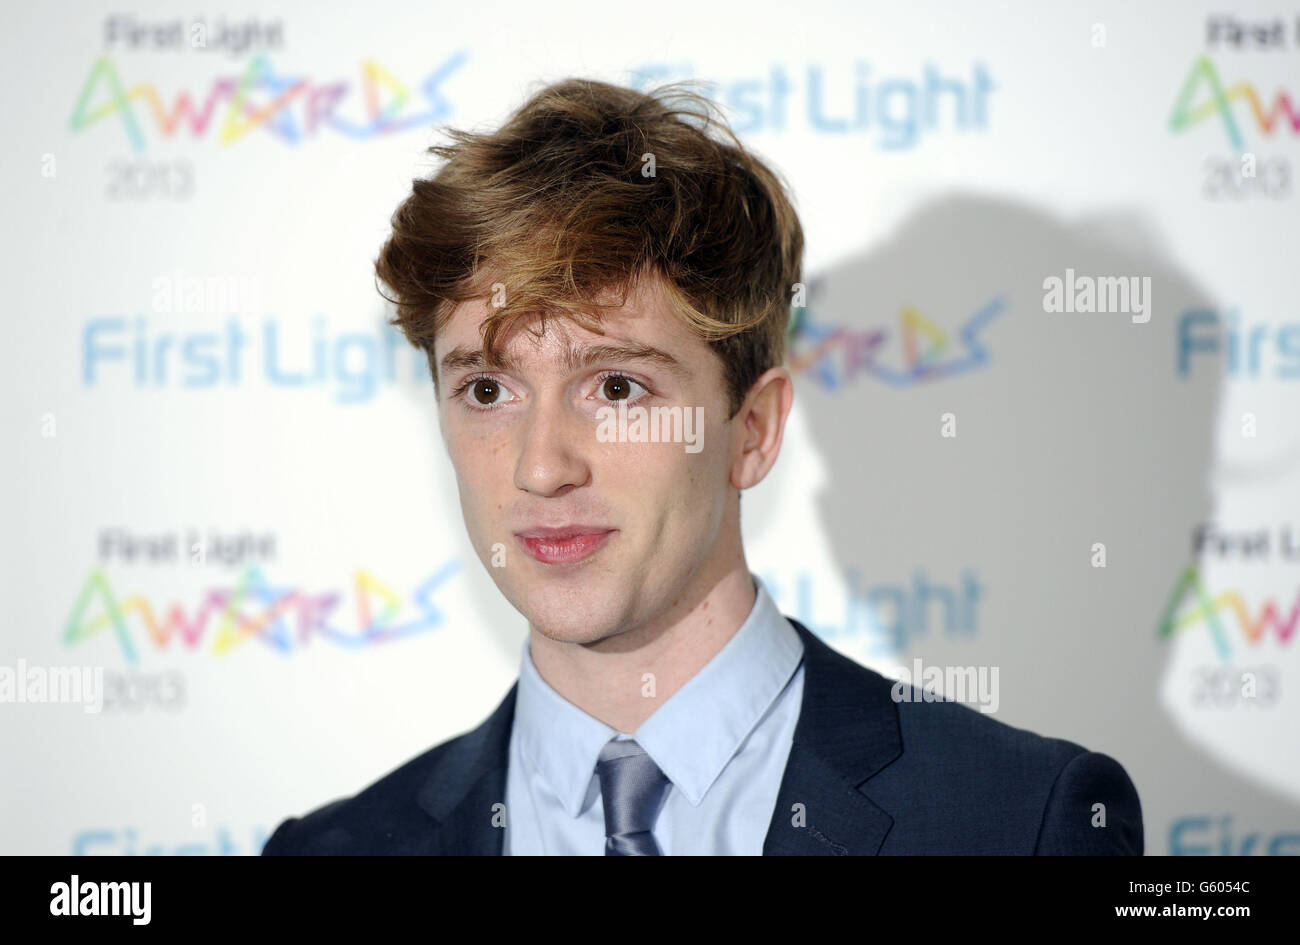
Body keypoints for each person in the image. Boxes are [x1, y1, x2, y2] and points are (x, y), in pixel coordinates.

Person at [262, 78, 1142, 855]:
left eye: (614, 384)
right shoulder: (332, 849)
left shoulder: (1021, 821)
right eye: (488, 390)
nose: (540, 468)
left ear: (752, 430)